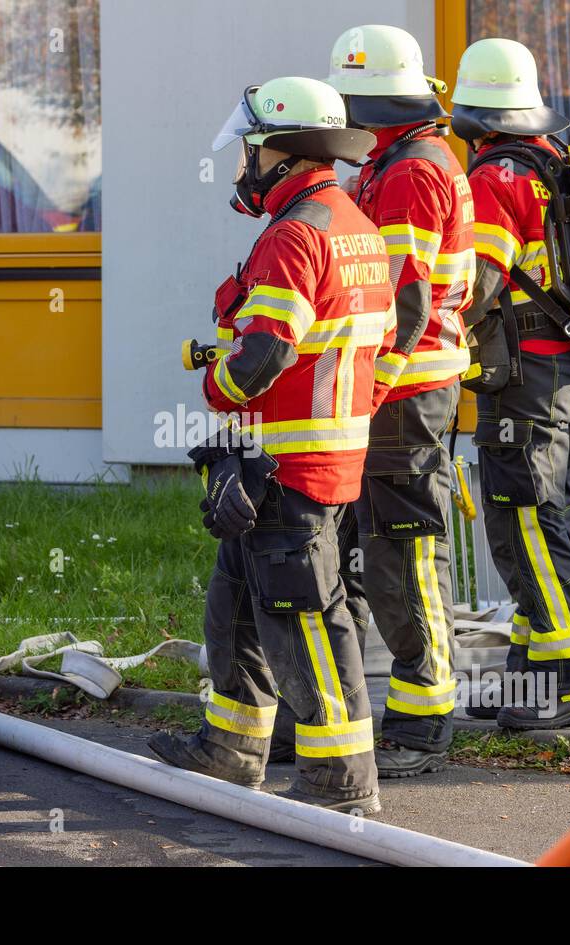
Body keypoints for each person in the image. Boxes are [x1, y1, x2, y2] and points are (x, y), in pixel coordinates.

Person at [148, 77, 397, 813]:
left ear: (281, 155)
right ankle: (230, 748)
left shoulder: (296, 234)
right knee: (236, 606)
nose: (242, 169)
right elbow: (379, 351)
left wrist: (217, 386)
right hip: (297, 461)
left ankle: (340, 781)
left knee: (305, 620)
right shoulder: (354, 225)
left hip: (290, 467)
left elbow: (259, 358)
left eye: (249, 153)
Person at [324, 24, 475, 775]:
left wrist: (368, 385)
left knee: (407, 553)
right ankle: (388, 707)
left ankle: (425, 716)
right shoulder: (399, 160)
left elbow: (405, 297)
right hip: (403, 389)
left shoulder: (412, 170)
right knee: (375, 551)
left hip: (405, 394)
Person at [450, 38, 570, 729]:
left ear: (475, 115)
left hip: (525, 380)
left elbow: (478, 282)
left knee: (527, 527)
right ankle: (527, 682)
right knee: (547, 522)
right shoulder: (557, 164)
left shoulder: (494, 177)